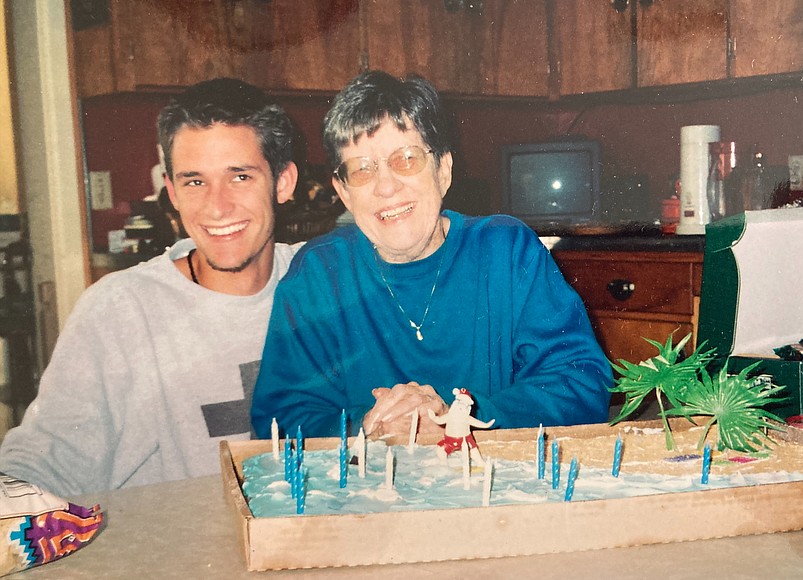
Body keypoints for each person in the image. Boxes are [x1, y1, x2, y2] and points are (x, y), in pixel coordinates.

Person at [251, 70, 612, 440]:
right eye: (362, 169)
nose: (386, 186)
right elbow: (279, 421)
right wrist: (371, 425)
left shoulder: (505, 249)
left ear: (443, 170)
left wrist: (458, 419)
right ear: (343, 192)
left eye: (406, 159)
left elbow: (581, 383)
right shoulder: (317, 275)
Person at [0, 78, 301, 497]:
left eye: (240, 177)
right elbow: (47, 457)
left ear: (283, 183)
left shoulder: (323, 279)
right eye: (195, 182)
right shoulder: (122, 309)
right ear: (173, 192)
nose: (216, 206)